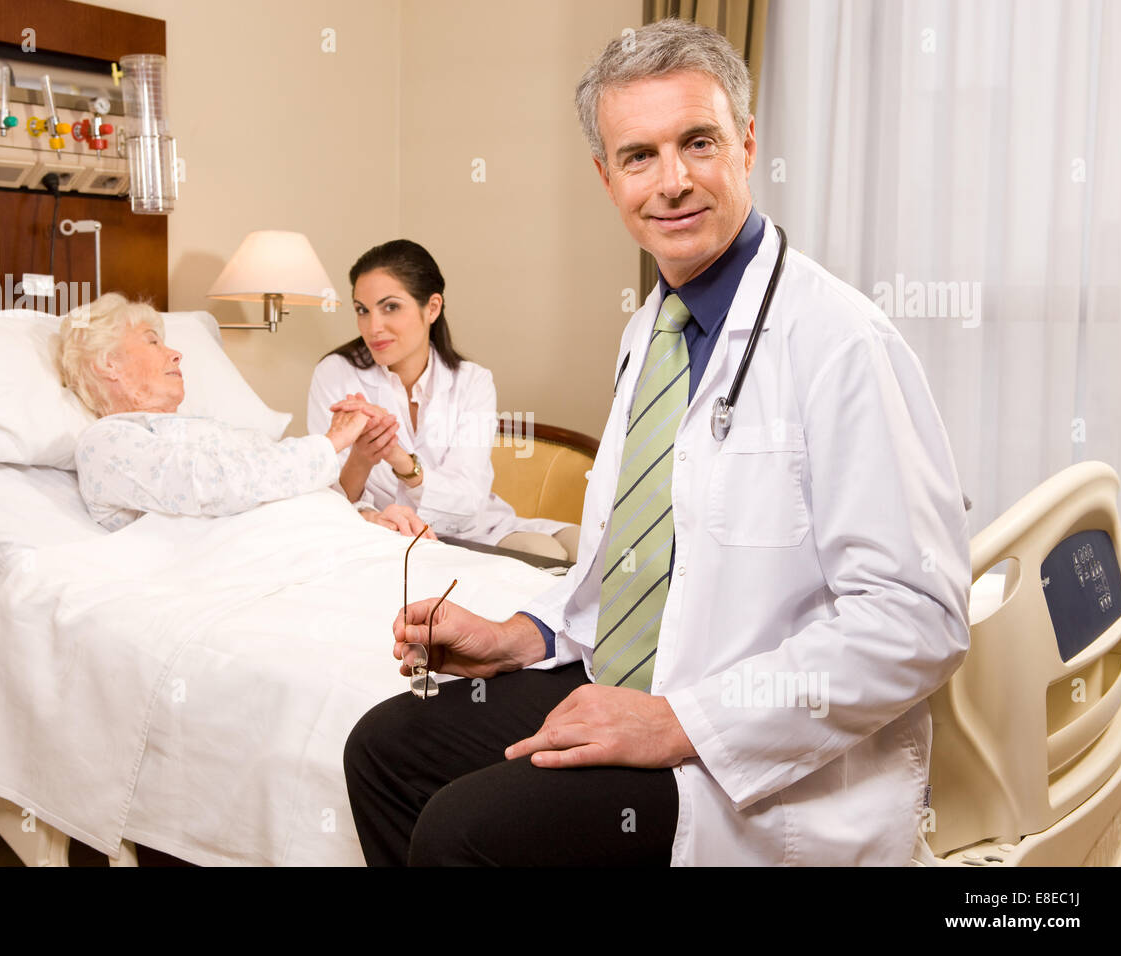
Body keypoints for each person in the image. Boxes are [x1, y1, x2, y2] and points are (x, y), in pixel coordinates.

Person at [343, 19, 971, 866]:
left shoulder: (842, 342)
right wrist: (519, 636)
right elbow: (633, 570)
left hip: (750, 746)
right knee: (386, 750)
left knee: (466, 831)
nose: (671, 182)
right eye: (639, 156)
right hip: (641, 682)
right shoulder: (651, 333)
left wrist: (683, 721)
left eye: (699, 142)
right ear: (606, 178)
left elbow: (917, 619)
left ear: (747, 143)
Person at [57, 292, 429, 536]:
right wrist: (332, 442)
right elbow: (215, 488)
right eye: (152, 341)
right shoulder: (107, 442)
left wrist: (368, 518)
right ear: (109, 363)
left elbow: (282, 493)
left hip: (329, 546)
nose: (175, 354)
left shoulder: (208, 430)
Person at [308, 239, 580, 559]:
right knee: (546, 553)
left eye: (390, 307)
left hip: (474, 525)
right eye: (362, 310)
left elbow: (467, 501)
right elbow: (331, 500)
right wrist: (364, 458)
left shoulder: (472, 381)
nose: (373, 326)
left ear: (432, 308)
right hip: (390, 530)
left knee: (584, 543)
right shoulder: (336, 375)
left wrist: (399, 458)